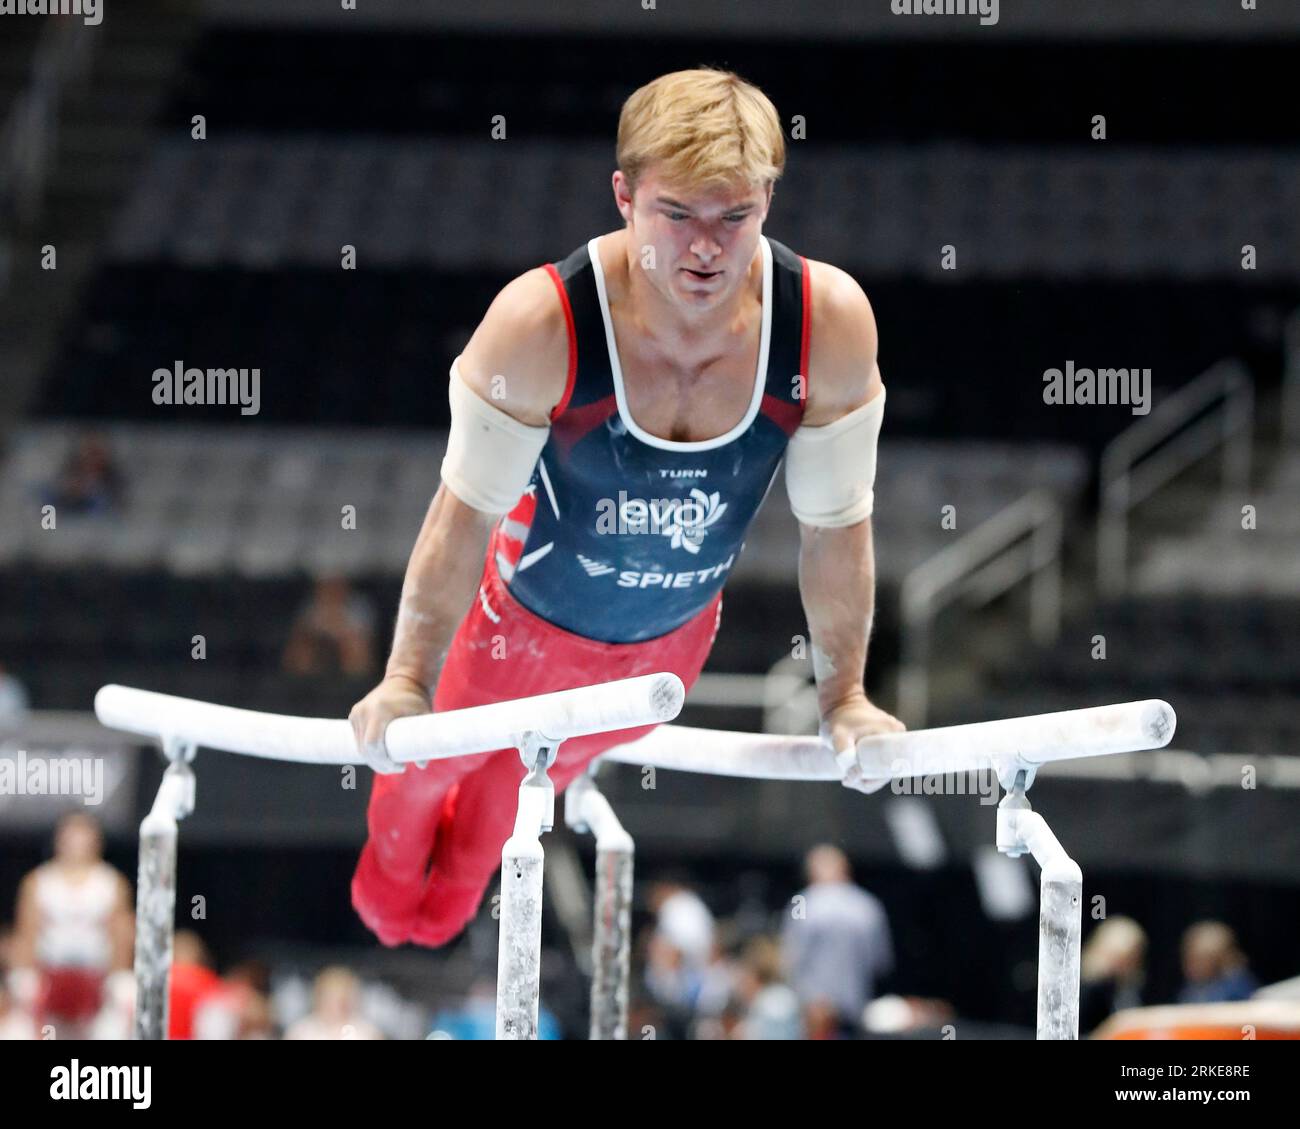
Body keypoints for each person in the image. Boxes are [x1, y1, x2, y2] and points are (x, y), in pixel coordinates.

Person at [348, 67, 902, 949]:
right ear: (623, 197)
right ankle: (385, 903)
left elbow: (837, 530)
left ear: (769, 197)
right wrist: (408, 680)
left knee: (489, 835)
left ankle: (445, 881)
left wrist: (846, 699)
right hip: (512, 635)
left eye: (735, 216)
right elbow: (464, 515)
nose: (705, 248)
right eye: (675, 213)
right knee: (411, 833)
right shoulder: (542, 322)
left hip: (661, 660)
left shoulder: (826, 324)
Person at [9, 813, 133, 1038]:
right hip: (51, 976)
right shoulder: (38, 881)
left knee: (119, 1016)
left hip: (96, 977)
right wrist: (24, 975)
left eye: (84, 836)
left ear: (97, 841)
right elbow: (27, 933)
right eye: (72, 836)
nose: (77, 843)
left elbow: (121, 936)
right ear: (59, 840)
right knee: (20, 1027)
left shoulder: (112, 883)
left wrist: (118, 977)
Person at [780, 844, 893, 1035]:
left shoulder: (804, 902)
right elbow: (880, 962)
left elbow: (791, 958)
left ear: (812, 873)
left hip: (814, 1013)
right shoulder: (868, 906)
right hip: (855, 1007)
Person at [282, 574, 377, 676]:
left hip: (347, 645)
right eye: (327, 585)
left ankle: (355, 685)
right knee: (302, 651)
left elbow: (365, 639)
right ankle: (303, 685)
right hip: (320, 646)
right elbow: (301, 634)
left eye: (336, 585)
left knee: (356, 648)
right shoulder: (311, 607)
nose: (332, 590)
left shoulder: (359, 607)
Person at [1078, 915, 1146, 1034]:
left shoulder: (1130, 989)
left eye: (1132, 959)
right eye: (1121, 959)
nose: (1125, 966)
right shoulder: (1089, 991)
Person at [283, 966, 383, 1040]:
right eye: (331, 996)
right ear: (319, 998)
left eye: (343, 998)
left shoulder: (368, 1032)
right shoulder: (301, 1031)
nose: (337, 1005)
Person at [1177, 921, 1259, 1004]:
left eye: (1199, 961)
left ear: (1219, 960)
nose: (1192, 966)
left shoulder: (1236, 988)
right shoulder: (1191, 989)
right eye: (1189, 960)